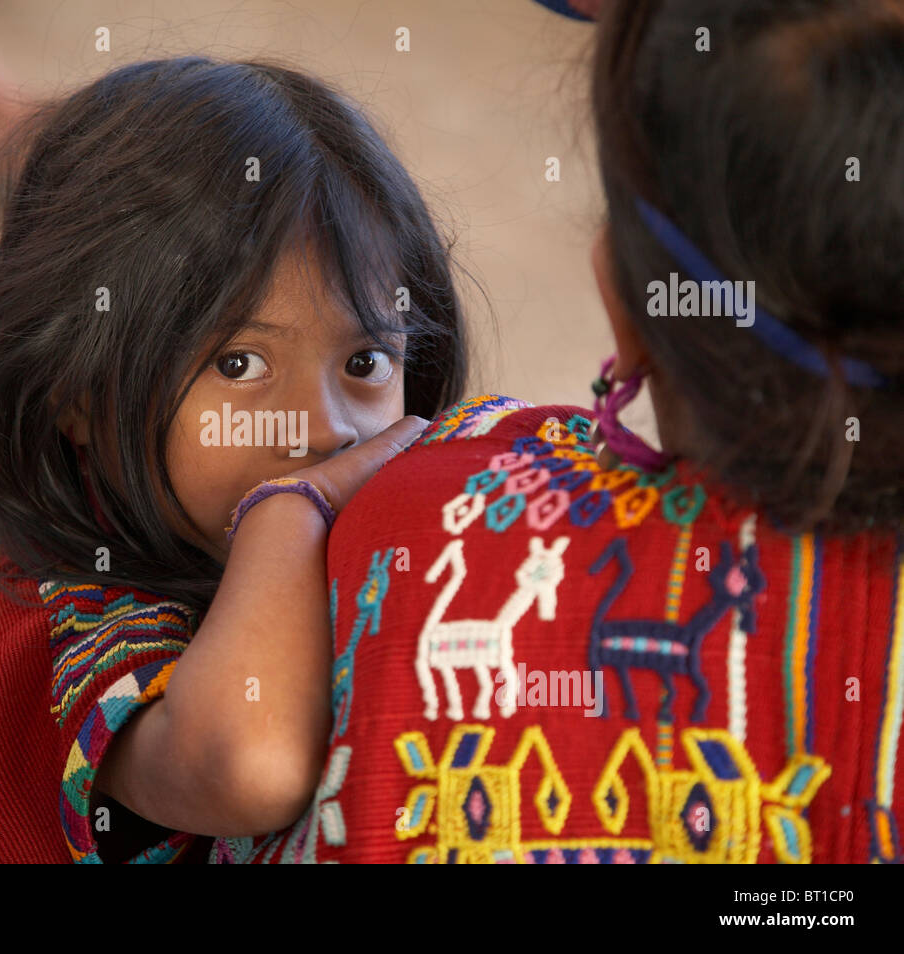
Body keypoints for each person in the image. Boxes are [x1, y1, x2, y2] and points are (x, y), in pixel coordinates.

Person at [212, 0, 904, 864]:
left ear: (625, 305)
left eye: (364, 361)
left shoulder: (426, 514)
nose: (323, 431)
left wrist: (290, 511)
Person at [0, 56, 470, 863]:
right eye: (239, 364)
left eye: (366, 362)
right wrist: (290, 514)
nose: (324, 429)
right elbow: (245, 767)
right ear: (79, 397)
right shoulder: (73, 633)